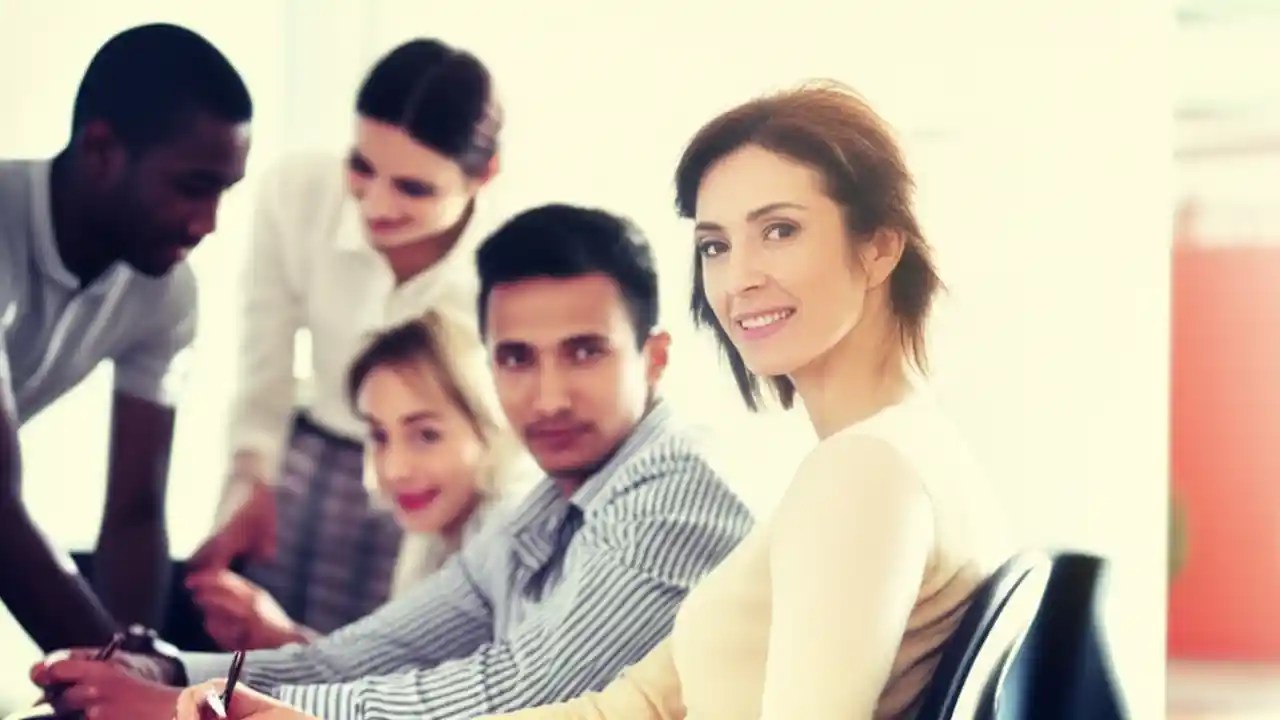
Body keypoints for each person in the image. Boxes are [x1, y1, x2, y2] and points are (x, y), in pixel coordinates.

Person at [33, 203, 754, 720]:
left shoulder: (676, 497)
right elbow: (361, 657)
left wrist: (188, 706)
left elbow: (518, 693)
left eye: (585, 352)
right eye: (516, 359)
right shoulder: (554, 502)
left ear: (654, 357)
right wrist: (167, 667)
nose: (549, 397)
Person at [187, 37, 509, 640]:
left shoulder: (504, 269)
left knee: (373, 671)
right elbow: (264, 364)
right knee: (249, 658)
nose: (376, 205)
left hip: (434, 492)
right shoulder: (297, 192)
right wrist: (249, 480)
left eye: (413, 187)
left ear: (483, 176)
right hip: (305, 457)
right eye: (362, 166)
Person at [0, 23, 252, 653]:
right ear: (102, 149)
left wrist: (139, 656)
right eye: (193, 187)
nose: (209, 223)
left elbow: (137, 508)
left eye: (225, 191)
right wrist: (117, 678)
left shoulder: (167, 293)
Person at [185, 312, 536, 650]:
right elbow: (404, 676)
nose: (395, 469)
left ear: (493, 428)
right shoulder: (434, 532)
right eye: (380, 436)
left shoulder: (507, 536)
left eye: (427, 435)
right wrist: (281, 640)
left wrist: (286, 641)